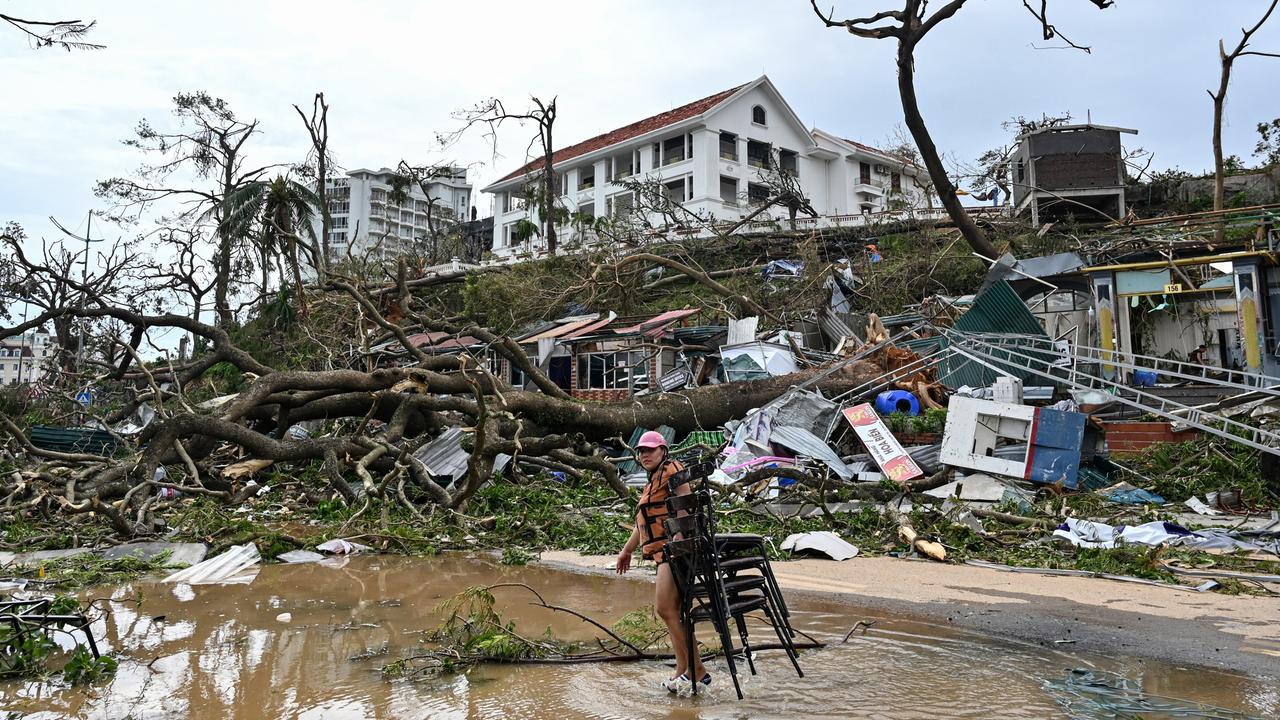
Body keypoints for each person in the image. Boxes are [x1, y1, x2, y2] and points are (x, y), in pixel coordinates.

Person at [615, 431, 709, 693]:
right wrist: (626, 551)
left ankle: (698, 671)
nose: (644, 455)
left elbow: (684, 503)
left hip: (676, 550)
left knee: (665, 609)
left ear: (663, 450)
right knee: (672, 613)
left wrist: (679, 535)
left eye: (650, 450)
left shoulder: (672, 469)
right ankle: (683, 670)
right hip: (662, 552)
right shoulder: (651, 482)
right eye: (641, 451)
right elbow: (642, 522)